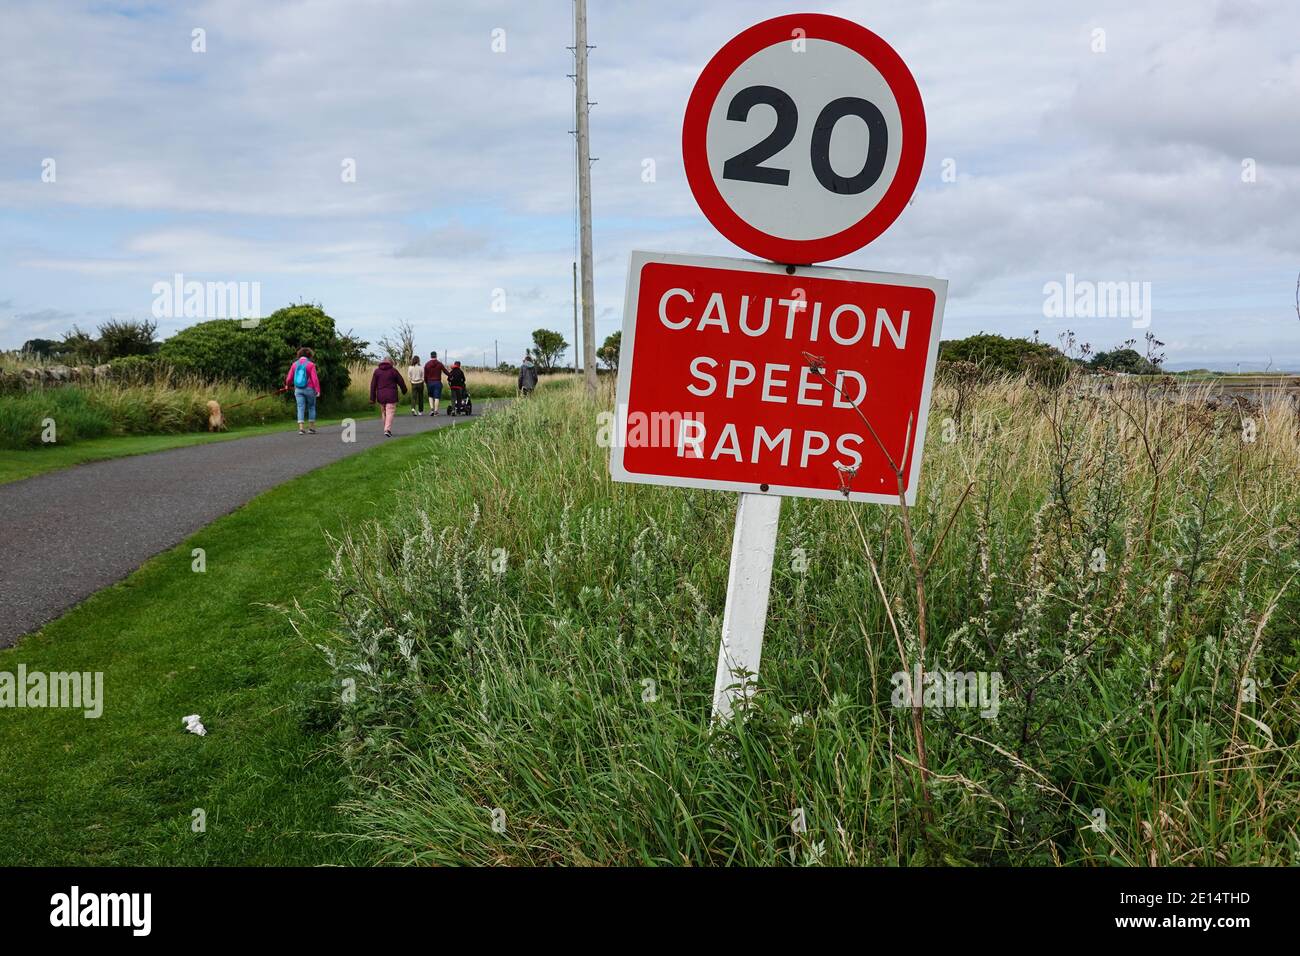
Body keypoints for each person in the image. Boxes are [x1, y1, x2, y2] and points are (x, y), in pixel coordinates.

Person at [285, 347, 321, 435]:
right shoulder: (311, 365)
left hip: (298, 389)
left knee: (300, 407)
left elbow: (289, 378)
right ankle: (311, 428)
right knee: (311, 407)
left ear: (299, 355)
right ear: (309, 355)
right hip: (310, 389)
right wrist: (317, 390)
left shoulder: (294, 364)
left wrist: (287, 385)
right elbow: (315, 379)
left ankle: (301, 429)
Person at [369, 358, 408, 437]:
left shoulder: (377, 371)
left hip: (381, 395)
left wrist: (372, 398)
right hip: (391, 395)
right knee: (390, 412)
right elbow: (401, 381)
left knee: (384, 412)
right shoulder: (393, 371)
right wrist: (404, 390)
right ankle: (387, 429)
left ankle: (386, 428)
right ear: (391, 363)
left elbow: (373, 385)